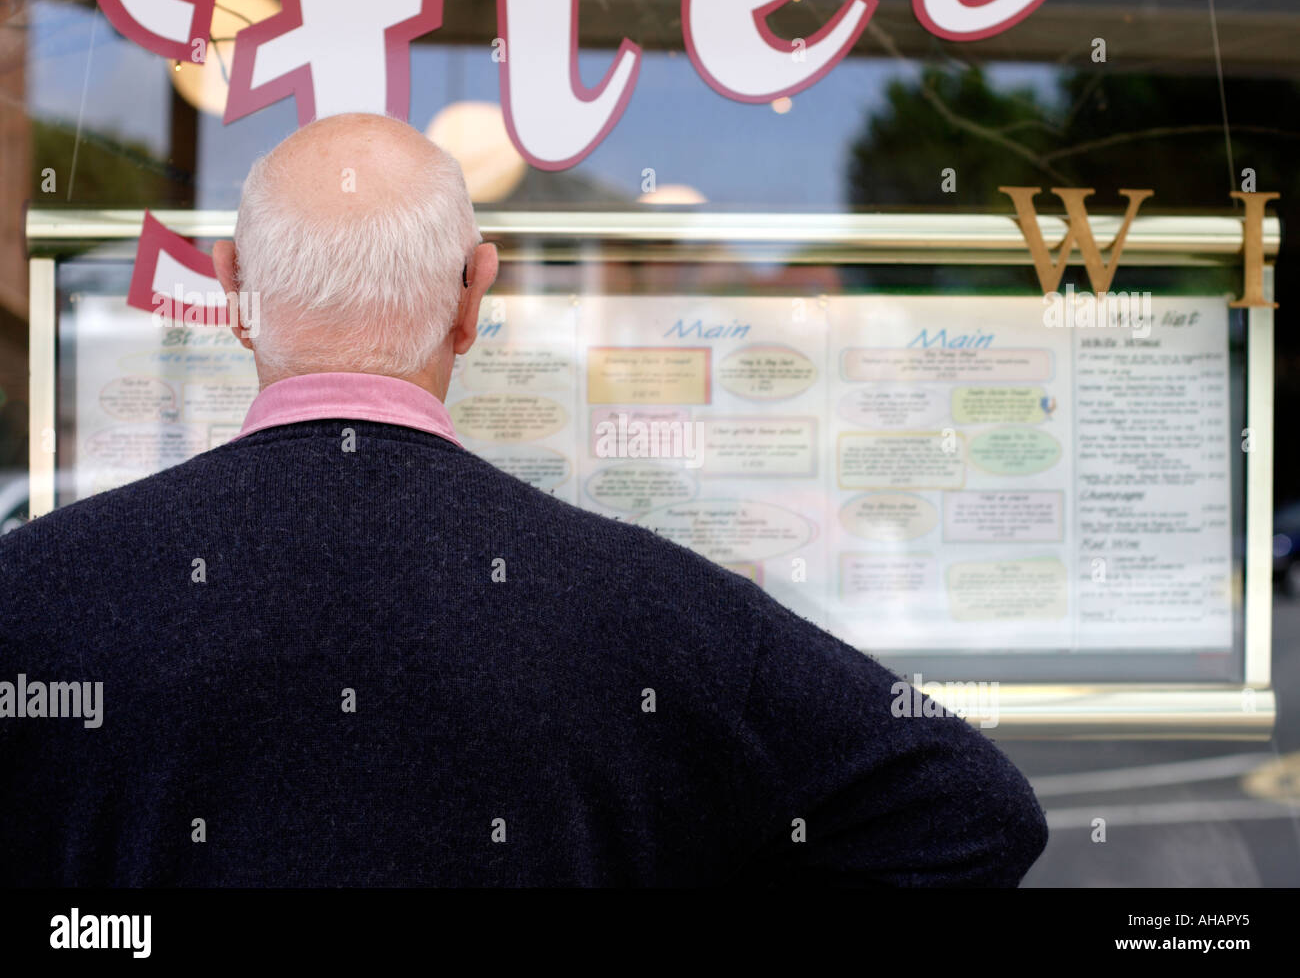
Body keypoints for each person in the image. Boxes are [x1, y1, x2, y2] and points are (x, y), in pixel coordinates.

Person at [0, 113, 1047, 886]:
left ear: (233, 287)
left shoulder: (36, 590)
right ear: (473, 295)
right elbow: (968, 812)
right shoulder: (647, 604)